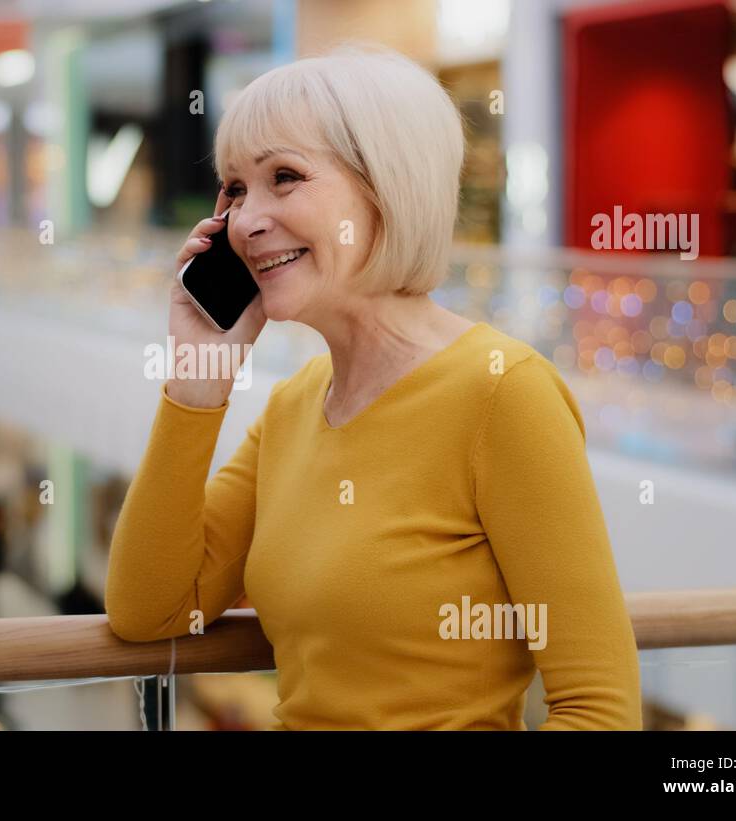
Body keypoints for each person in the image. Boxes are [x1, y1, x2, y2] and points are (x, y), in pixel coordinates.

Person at [104, 44, 642, 730]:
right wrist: (200, 377)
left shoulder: (504, 393)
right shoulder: (296, 405)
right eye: (235, 188)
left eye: (285, 177)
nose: (244, 220)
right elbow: (149, 608)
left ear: (385, 186)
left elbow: (599, 709)